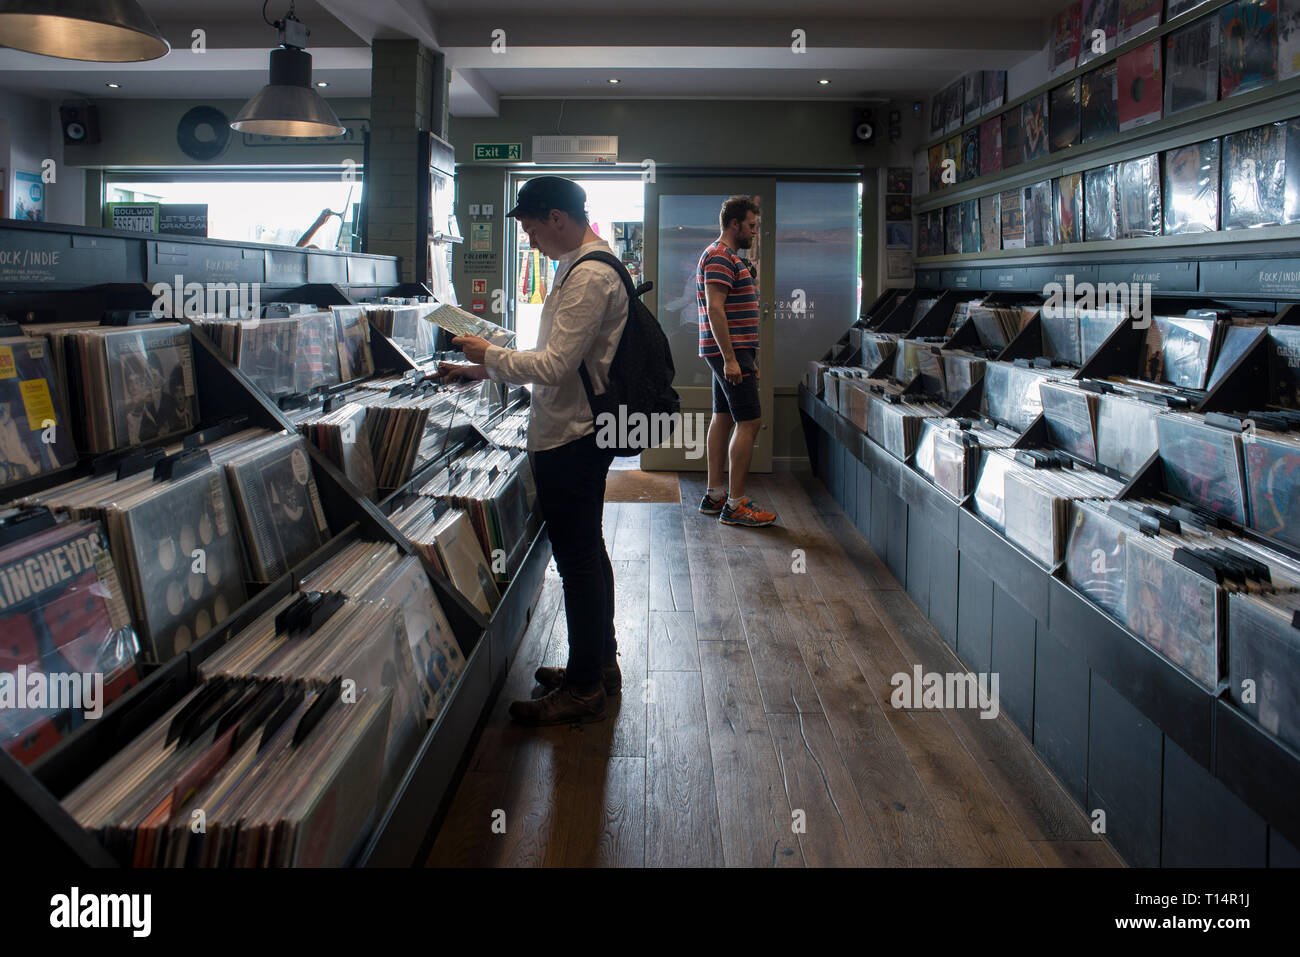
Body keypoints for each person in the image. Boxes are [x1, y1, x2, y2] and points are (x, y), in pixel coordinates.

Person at [440, 176, 627, 726]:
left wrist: (490, 351)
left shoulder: (589, 276)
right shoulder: (581, 268)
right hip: (573, 429)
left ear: (557, 219)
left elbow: (552, 367)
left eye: (529, 225)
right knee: (587, 554)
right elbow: (555, 358)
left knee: (577, 563)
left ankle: (587, 685)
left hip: (572, 436)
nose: (529, 237)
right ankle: (598, 665)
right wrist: (484, 365)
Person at [697, 195, 777, 527]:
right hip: (726, 352)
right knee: (750, 422)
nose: (755, 232)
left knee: (723, 417)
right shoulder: (719, 256)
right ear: (734, 224)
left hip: (731, 352)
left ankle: (715, 494)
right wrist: (732, 358)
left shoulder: (727, 256)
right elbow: (716, 309)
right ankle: (735, 504)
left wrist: (742, 357)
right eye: (752, 226)